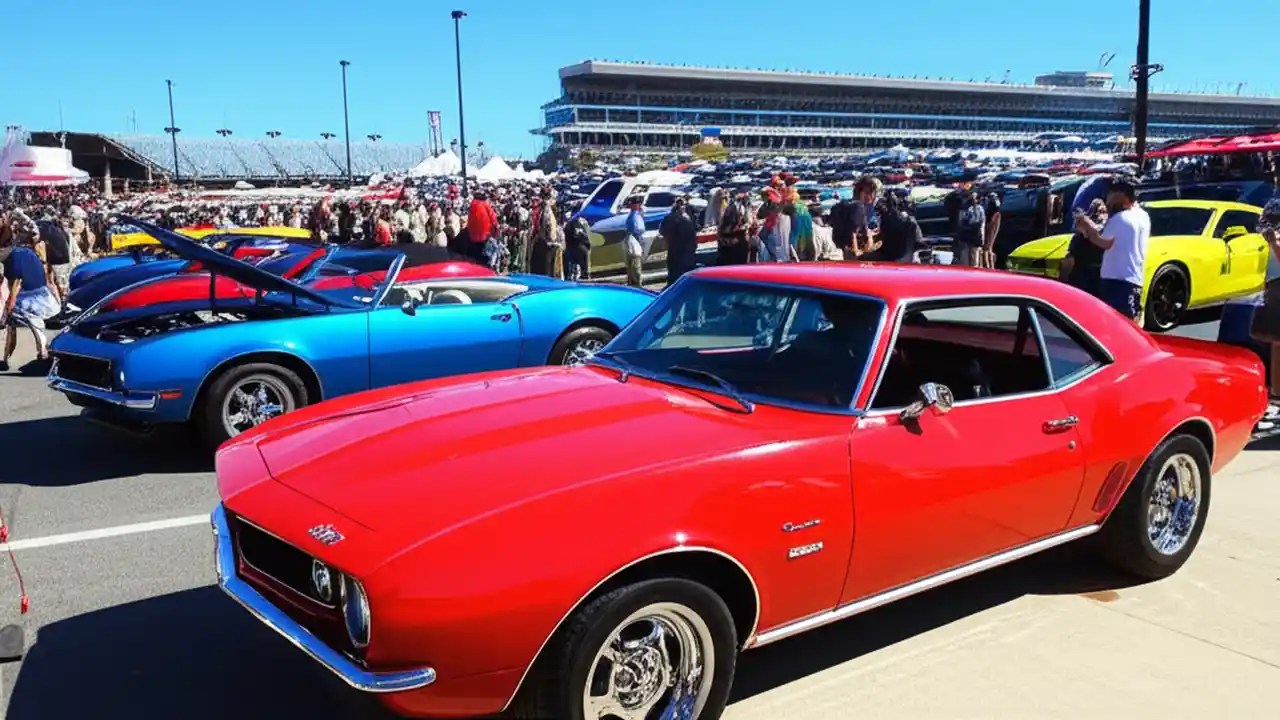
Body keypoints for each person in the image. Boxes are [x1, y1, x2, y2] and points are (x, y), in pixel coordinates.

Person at [1075, 179, 1150, 323]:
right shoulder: (1143, 216)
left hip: (1116, 279)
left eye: (1111, 194)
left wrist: (1086, 225)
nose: (1107, 197)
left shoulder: (1120, 218)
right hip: (1133, 277)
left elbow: (1102, 242)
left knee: (1114, 322)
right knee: (1130, 321)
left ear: (1121, 195)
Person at [2, 238, 61, 372]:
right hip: (39, 293)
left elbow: (17, 281)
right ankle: (8, 358)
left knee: (31, 326)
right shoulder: (25, 252)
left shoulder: (14, 257)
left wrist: (11, 301)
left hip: (28, 297)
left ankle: (42, 355)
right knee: (29, 327)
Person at [1060, 199, 1108, 297]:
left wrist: (1063, 281)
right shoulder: (1108, 233)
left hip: (1086, 282)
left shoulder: (1081, 235)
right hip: (1091, 281)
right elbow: (1069, 260)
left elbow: (1068, 261)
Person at [659, 196, 698, 284]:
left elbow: (662, 231)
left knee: (673, 273)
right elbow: (692, 234)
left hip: (673, 249)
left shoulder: (668, 218)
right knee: (683, 273)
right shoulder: (685, 220)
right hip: (685, 250)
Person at [466, 191, 499, 267]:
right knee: (487, 254)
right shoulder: (485, 204)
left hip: (473, 235)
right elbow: (493, 219)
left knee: (476, 255)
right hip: (485, 234)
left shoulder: (472, 205)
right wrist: (496, 232)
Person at [953, 191, 985, 267]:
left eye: (975, 198)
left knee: (975, 257)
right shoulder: (964, 209)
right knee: (965, 257)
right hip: (966, 235)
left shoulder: (980, 209)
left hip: (976, 234)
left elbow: (982, 224)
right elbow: (960, 223)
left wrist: (982, 238)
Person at [716, 192, 749, 265]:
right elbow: (727, 228)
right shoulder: (732, 209)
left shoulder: (738, 208)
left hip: (737, 242)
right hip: (732, 244)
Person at [623, 195, 646, 287]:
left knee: (634, 268)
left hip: (635, 244)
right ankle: (635, 284)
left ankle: (635, 284)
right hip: (634, 244)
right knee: (634, 268)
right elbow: (638, 230)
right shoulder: (635, 216)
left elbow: (637, 230)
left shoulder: (636, 215)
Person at [564, 210, 592, 281]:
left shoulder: (570, 223)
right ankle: (584, 277)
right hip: (579, 246)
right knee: (581, 270)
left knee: (575, 270)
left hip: (575, 247)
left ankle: (582, 277)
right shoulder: (578, 222)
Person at [982, 191, 1002, 269]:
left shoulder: (994, 205)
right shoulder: (994, 204)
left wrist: (990, 224)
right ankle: (988, 265)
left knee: (988, 247)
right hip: (990, 222)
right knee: (988, 247)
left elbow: (995, 215)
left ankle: (989, 266)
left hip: (992, 222)